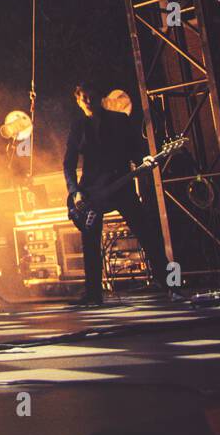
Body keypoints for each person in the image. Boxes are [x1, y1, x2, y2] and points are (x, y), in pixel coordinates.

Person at [62, 81, 177, 305]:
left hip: (120, 186)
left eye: (91, 96)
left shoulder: (119, 121)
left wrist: (144, 159)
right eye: (82, 97)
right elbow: (68, 164)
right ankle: (93, 294)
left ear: (100, 98)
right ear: (78, 101)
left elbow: (135, 149)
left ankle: (173, 284)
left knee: (148, 234)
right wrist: (76, 192)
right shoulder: (78, 127)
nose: (87, 101)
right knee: (90, 242)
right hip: (91, 192)